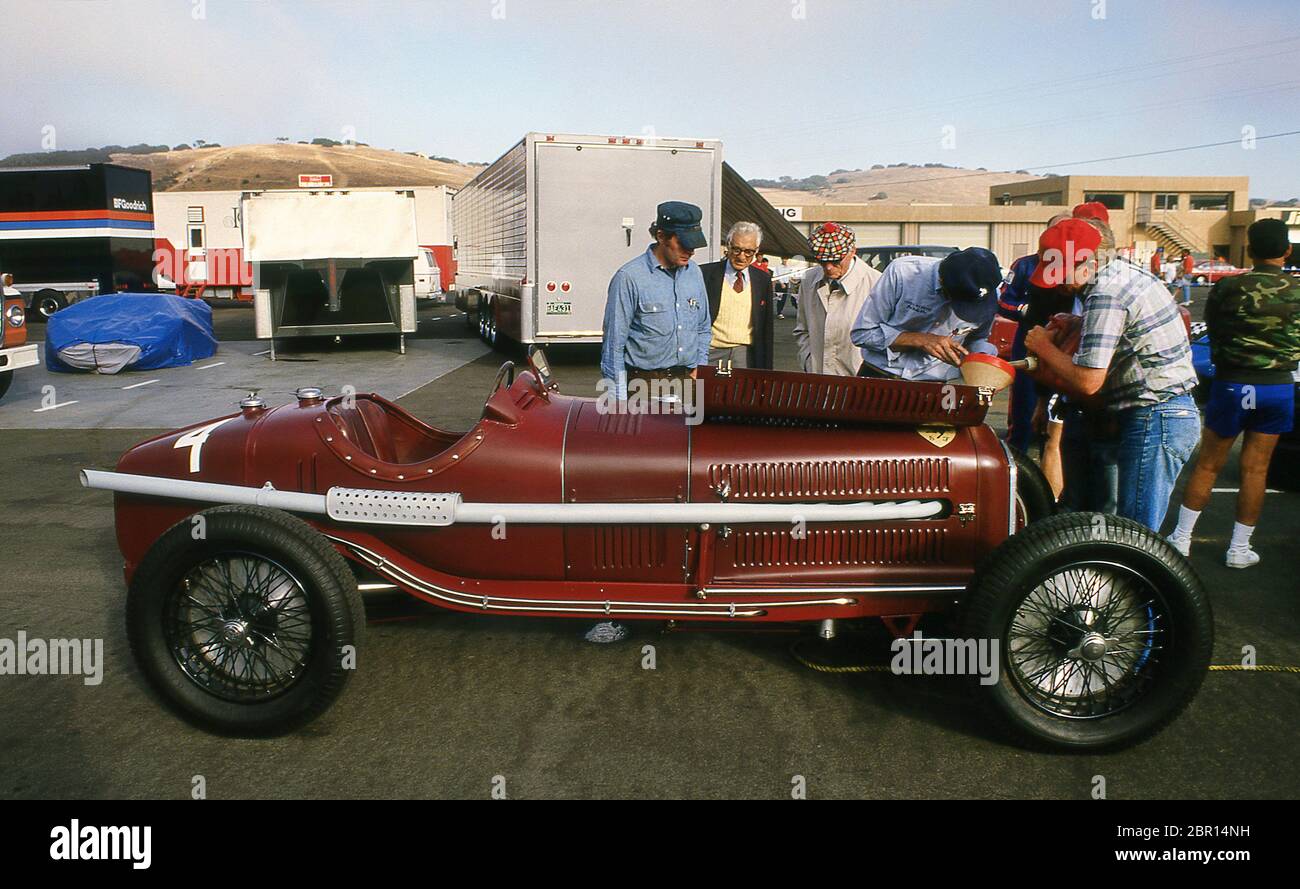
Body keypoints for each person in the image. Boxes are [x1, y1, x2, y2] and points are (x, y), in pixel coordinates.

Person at [1024, 218, 1200, 531]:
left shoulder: (1105, 293)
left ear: (1084, 262)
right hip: (1163, 410)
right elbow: (1130, 333)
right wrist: (1078, 324)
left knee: (1136, 535)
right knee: (1130, 529)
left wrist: (1043, 347)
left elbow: (1088, 381)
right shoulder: (1122, 273)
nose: (1059, 284)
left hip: (1155, 414)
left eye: (1061, 272)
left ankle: (1139, 582)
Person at [1167, 218, 1300, 568]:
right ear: (1287, 250)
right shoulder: (1298, 290)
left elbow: (1212, 329)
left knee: (1209, 464)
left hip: (1233, 383)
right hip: (1277, 386)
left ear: (1250, 250)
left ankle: (1181, 539)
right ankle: (1239, 549)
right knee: (1256, 470)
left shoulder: (1229, 288)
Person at [600, 201, 712, 399]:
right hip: (644, 386)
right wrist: (618, 401)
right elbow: (613, 345)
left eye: (694, 244)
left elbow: (703, 327)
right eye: (684, 243)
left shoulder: (694, 272)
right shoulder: (629, 277)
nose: (691, 251)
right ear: (661, 236)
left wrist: (699, 369)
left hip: (689, 383)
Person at [851, 247, 1002, 381]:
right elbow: (862, 334)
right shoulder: (903, 273)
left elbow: (977, 338)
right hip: (879, 375)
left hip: (935, 386)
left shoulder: (988, 295)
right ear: (941, 281)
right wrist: (920, 340)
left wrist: (982, 356)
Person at [998, 211, 1074, 454]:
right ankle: (1017, 457)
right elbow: (1003, 301)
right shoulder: (1024, 265)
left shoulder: (1078, 268)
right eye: (1055, 231)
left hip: (1067, 345)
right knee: (1024, 402)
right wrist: (1025, 310)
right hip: (1029, 340)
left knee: (1063, 410)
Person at [793, 223, 881, 375]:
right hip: (818, 379)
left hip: (860, 381)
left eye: (835, 261)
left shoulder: (876, 283)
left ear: (852, 251)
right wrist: (808, 360)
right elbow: (802, 329)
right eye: (821, 261)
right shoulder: (808, 280)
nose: (828, 268)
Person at [699, 221, 774, 369]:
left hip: (745, 355)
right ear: (728, 245)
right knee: (703, 393)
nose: (741, 257)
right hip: (710, 353)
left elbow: (766, 328)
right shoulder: (704, 274)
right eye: (736, 249)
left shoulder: (762, 279)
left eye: (748, 252)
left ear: (756, 250)